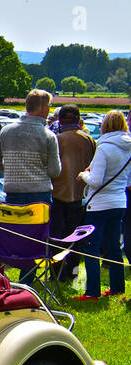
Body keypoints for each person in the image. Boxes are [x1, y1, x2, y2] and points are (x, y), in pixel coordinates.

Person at [75, 111, 131, 301]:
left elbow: (96, 180)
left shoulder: (104, 147)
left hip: (99, 204)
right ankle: (117, 288)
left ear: (105, 125)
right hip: (119, 201)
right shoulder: (128, 146)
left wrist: (83, 175)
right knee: (114, 247)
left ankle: (92, 292)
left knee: (92, 248)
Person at [0, 89, 60, 206]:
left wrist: (13, 169)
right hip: (40, 193)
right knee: (38, 225)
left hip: (13, 192)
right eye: (49, 106)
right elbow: (54, 171)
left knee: (15, 224)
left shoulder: (6, 131)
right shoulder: (49, 135)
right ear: (44, 107)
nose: (49, 110)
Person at [52, 104, 96, 279]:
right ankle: (73, 272)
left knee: (57, 237)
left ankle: (56, 273)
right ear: (78, 120)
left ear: (60, 120)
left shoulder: (57, 139)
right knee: (77, 237)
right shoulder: (89, 140)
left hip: (57, 195)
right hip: (81, 196)